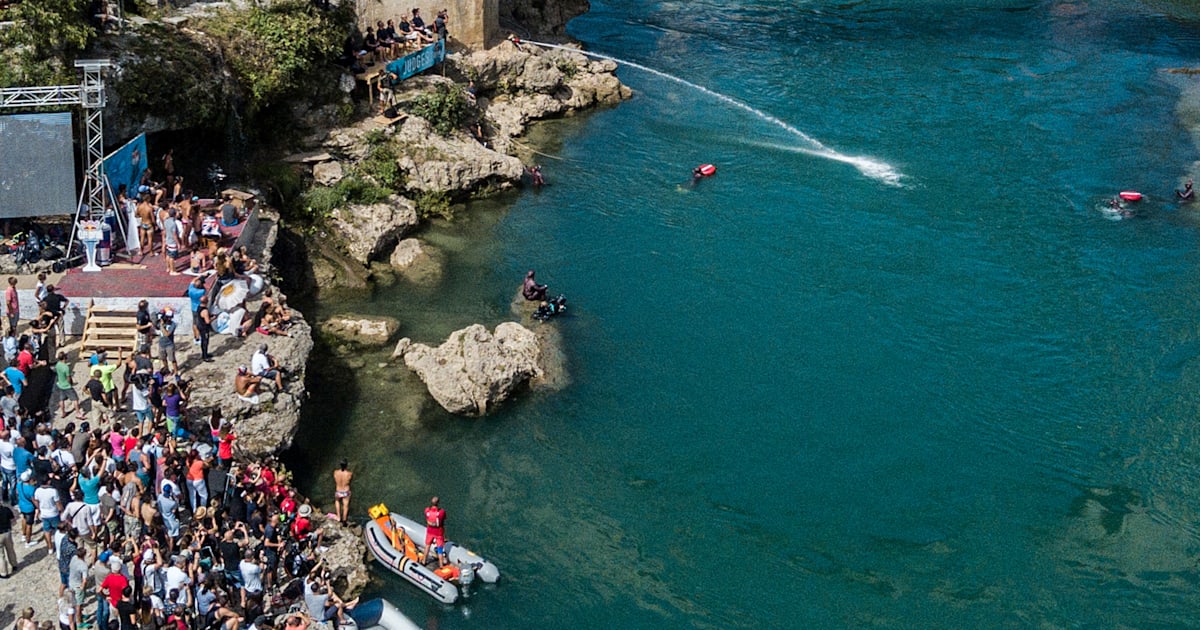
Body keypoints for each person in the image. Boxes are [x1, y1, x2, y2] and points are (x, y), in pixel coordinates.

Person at [157, 308, 179, 374]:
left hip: (169, 344)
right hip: (161, 344)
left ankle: (176, 371)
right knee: (163, 358)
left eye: (170, 317)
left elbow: (167, 334)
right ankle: (166, 370)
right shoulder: (161, 322)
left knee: (172, 359)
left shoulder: (173, 324)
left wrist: (162, 326)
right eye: (168, 317)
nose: (169, 319)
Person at [0, 498, 16, 577]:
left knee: (1, 555)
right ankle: (14, 564)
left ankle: (4, 573)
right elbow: (13, 520)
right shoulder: (6, 509)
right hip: (7, 532)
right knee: (10, 550)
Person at [197, 295, 215, 361]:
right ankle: (205, 356)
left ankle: (205, 354)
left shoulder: (199, 307)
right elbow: (207, 321)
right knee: (205, 341)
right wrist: (213, 318)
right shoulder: (205, 311)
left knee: (203, 341)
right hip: (204, 328)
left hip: (200, 325)